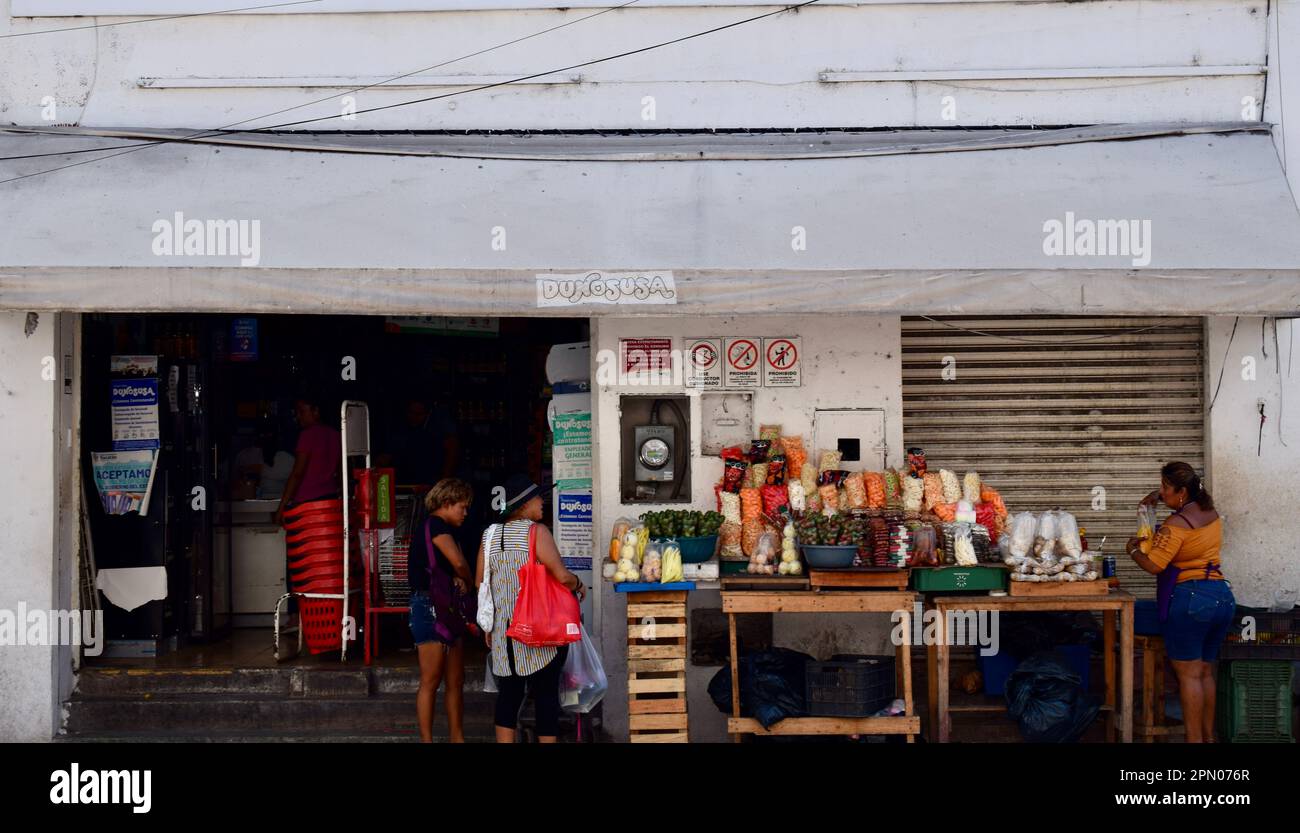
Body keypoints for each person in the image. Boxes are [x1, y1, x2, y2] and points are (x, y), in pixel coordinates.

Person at [1127, 461, 1234, 743]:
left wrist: (1133, 551)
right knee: (1205, 671)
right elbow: (1178, 496)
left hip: (1191, 601)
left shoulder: (1176, 525)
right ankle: (1208, 738)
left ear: (1182, 491)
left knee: (1189, 676)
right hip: (1221, 597)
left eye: (1165, 486)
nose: (1161, 491)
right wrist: (1156, 496)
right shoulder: (1210, 513)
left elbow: (1154, 565)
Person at [475, 475, 585, 743]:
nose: (542, 501)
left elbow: (480, 582)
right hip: (540, 626)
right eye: (538, 497)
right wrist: (578, 583)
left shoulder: (489, 535)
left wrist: (489, 623)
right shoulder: (536, 532)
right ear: (523, 505)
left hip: (504, 630)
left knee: (509, 695)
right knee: (546, 695)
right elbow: (561, 576)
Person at [408, 478, 476, 743]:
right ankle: (430, 740)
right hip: (430, 607)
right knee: (433, 679)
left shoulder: (441, 528)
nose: (465, 513)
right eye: (462, 506)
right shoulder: (435, 525)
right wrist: (470, 582)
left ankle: (456, 738)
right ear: (446, 504)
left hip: (445, 607)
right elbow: (458, 562)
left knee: (453, 680)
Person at [274, 395, 342, 525]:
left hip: (308, 504)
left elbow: (297, 474)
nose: (298, 417)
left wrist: (281, 507)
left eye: (301, 412)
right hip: (330, 500)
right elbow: (340, 471)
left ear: (315, 411)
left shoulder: (307, 435)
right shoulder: (336, 435)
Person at [385, 398, 460, 487]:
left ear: (427, 413)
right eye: (411, 413)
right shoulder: (401, 428)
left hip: (433, 482)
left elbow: (452, 450)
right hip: (407, 483)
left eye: (418, 414)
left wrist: (443, 482)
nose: (414, 417)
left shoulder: (438, 426)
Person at [233, 424, 294, 499]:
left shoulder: (286, 458)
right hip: (259, 499)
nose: (263, 438)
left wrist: (255, 469)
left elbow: (266, 469)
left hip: (280, 500)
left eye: (268, 436)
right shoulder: (244, 455)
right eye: (262, 435)